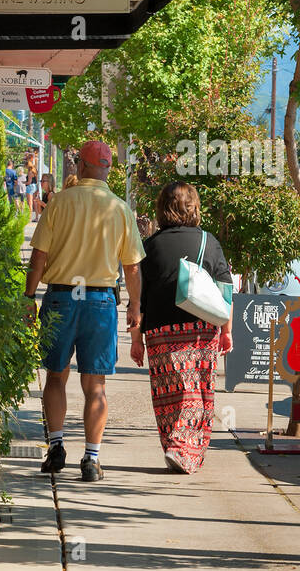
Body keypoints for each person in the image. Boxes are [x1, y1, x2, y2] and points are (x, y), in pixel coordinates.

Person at [25, 141, 144, 482]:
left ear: (82, 166)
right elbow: (132, 268)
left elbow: (39, 257)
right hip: (100, 302)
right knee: (96, 386)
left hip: (61, 298)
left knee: (56, 375)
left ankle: (56, 447)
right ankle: (91, 459)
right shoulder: (120, 209)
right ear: (106, 168)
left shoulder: (60, 202)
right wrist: (135, 307)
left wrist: (28, 296)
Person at [131, 181, 233, 474]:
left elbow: (139, 298)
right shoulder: (208, 241)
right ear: (194, 207)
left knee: (168, 393)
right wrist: (227, 330)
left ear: (162, 209)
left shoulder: (149, 246)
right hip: (201, 327)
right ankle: (185, 449)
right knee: (198, 390)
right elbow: (225, 289)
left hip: (160, 330)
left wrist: (137, 339)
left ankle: (177, 447)